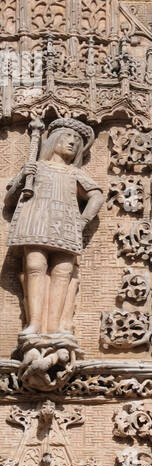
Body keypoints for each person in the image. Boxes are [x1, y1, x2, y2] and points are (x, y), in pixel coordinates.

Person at [5, 118, 102, 341]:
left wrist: (82, 221)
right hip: (36, 221)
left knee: (63, 271)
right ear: (54, 140)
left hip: (65, 224)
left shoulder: (74, 173)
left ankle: (55, 326)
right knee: (34, 265)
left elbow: (96, 195)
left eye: (77, 140)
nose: (73, 143)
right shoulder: (36, 167)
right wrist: (22, 176)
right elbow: (10, 198)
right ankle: (35, 323)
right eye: (68, 137)